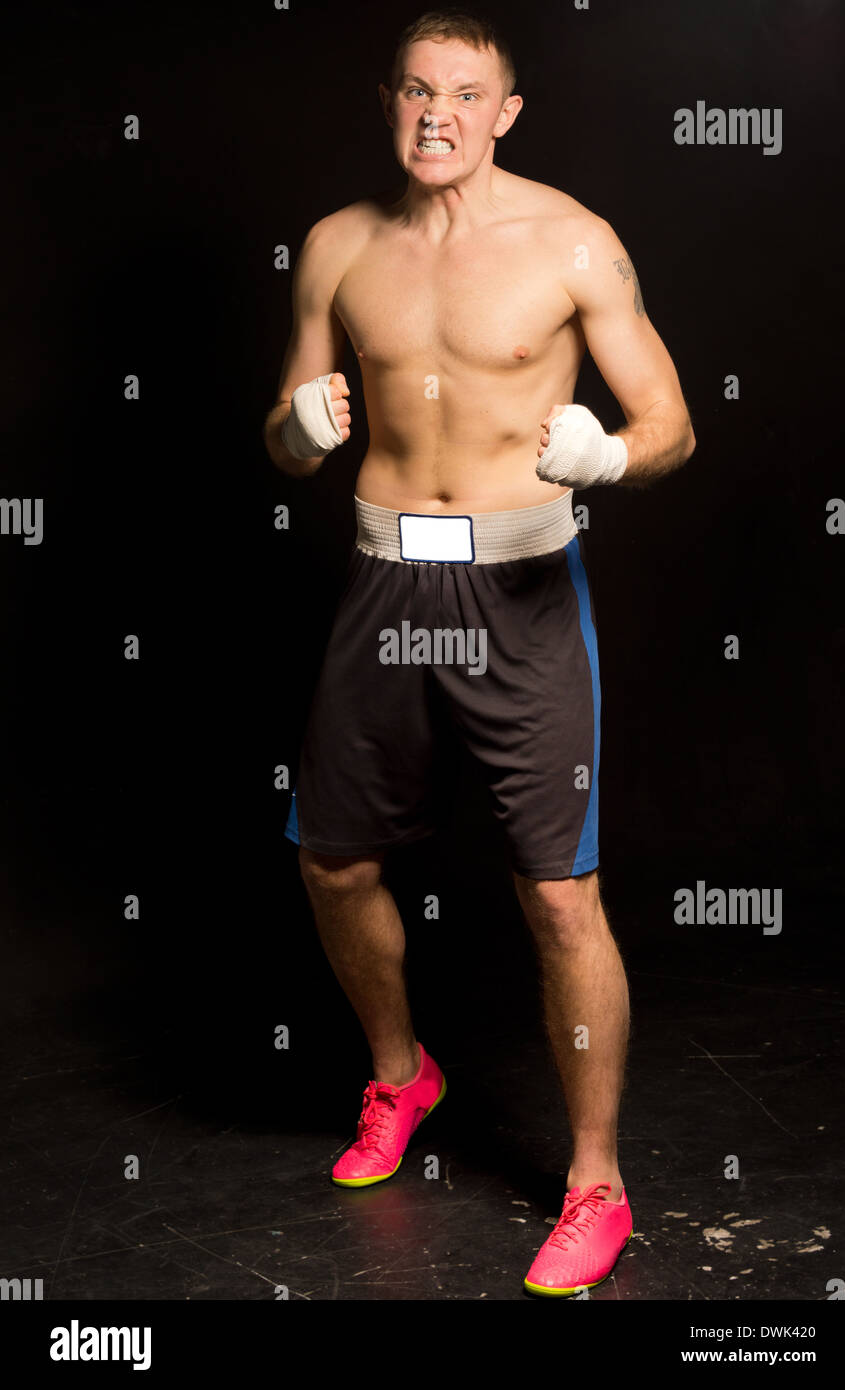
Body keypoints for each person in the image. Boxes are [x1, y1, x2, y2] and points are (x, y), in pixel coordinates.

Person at [262, 7, 695, 1297]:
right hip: (387, 583)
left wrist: (608, 455)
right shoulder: (339, 248)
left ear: (505, 111)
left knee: (559, 894)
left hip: (524, 592)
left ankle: (595, 1184)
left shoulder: (570, 242)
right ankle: (401, 1076)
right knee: (333, 865)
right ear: (389, 102)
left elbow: (672, 422)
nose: (436, 114)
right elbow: (285, 440)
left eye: (465, 94)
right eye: (415, 91)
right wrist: (295, 429)